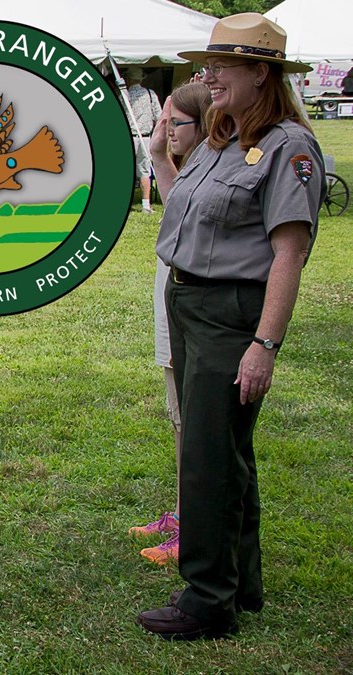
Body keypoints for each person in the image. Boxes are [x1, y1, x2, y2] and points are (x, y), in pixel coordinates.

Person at [138, 13, 323, 640]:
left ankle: (207, 600)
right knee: (227, 452)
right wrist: (163, 154)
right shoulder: (221, 138)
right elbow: (185, 210)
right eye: (207, 62)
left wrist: (263, 345)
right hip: (189, 305)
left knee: (209, 456)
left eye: (222, 65)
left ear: (260, 73)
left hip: (229, 315)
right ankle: (240, 583)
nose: (206, 75)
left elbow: (289, 254)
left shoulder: (288, 147)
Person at [130, 81, 212, 566]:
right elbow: (178, 208)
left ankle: (195, 527)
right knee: (179, 415)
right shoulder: (197, 170)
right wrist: (161, 152)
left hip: (197, 310)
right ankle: (184, 513)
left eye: (174, 122)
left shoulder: (217, 170)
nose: (164, 130)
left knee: (194, 421)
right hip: (176, 307)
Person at [125, 67, 163, 214]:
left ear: (128, 79)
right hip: (146, 137)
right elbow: (158, 116)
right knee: (145, 171)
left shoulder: (125, 95)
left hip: (129, 137)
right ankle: (146, 205)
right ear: (141, 79)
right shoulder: (150, 94)